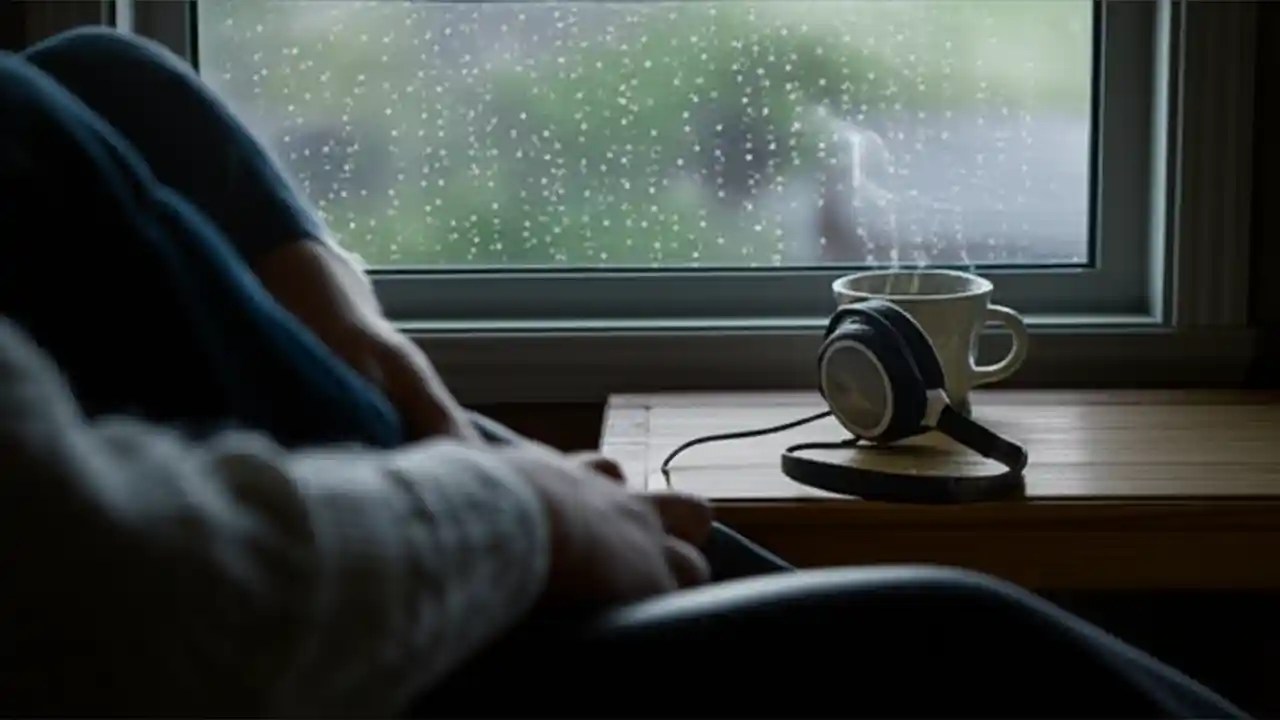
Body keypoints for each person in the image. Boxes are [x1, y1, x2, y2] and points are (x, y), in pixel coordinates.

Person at [0, 27, 1248, 719]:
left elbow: (102, 90)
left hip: (402, 501)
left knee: (87, 81)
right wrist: (531, 512)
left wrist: (410, 397)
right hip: (362, 648)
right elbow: (126, 609)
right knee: (969, 646)